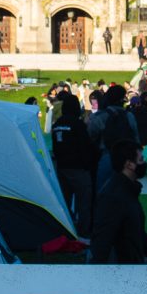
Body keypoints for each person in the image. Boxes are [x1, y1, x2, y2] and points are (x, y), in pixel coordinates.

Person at [90, 144, 147, 263]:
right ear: (129, 164)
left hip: (130, 265)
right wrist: (98, 270)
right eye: (141, 160)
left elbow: (138, 235)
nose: (144, 163)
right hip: (122, 268)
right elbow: (103, 239)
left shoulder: (128, 191)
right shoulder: (114, 196)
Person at [51, 94, 99, 237]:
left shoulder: (57, 125)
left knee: (64, 201)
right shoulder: (78, 124)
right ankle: (83, 231)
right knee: (83, 201)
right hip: (78, 168)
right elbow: (85, 146)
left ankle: (65, 229)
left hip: (62, 167)